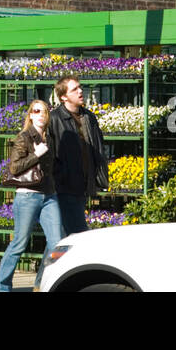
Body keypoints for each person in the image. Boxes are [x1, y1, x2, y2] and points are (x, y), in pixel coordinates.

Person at [0, 100, 61, 292]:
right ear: (30, 115)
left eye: (44, 111)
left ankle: (41, 284)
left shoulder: (50, 138)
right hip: (28, 196)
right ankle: (2, 286)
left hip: (49, 195)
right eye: (36, 111)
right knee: (19, 244)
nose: (41, 114)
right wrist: (36, 155)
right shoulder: (24, 137)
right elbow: (14, 168)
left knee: (56, 243)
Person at [48, 77, 107, 234]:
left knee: (62, 237)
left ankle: (50, 259)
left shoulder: (88, 117)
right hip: (64, 187)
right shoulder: (54, 119)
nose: (80, 91)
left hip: (83, 185)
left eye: (80, 87)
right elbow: (50, 155)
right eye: (74, 89)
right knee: (77, 233)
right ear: (63, 97)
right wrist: (60, 176)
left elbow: (98, 148)